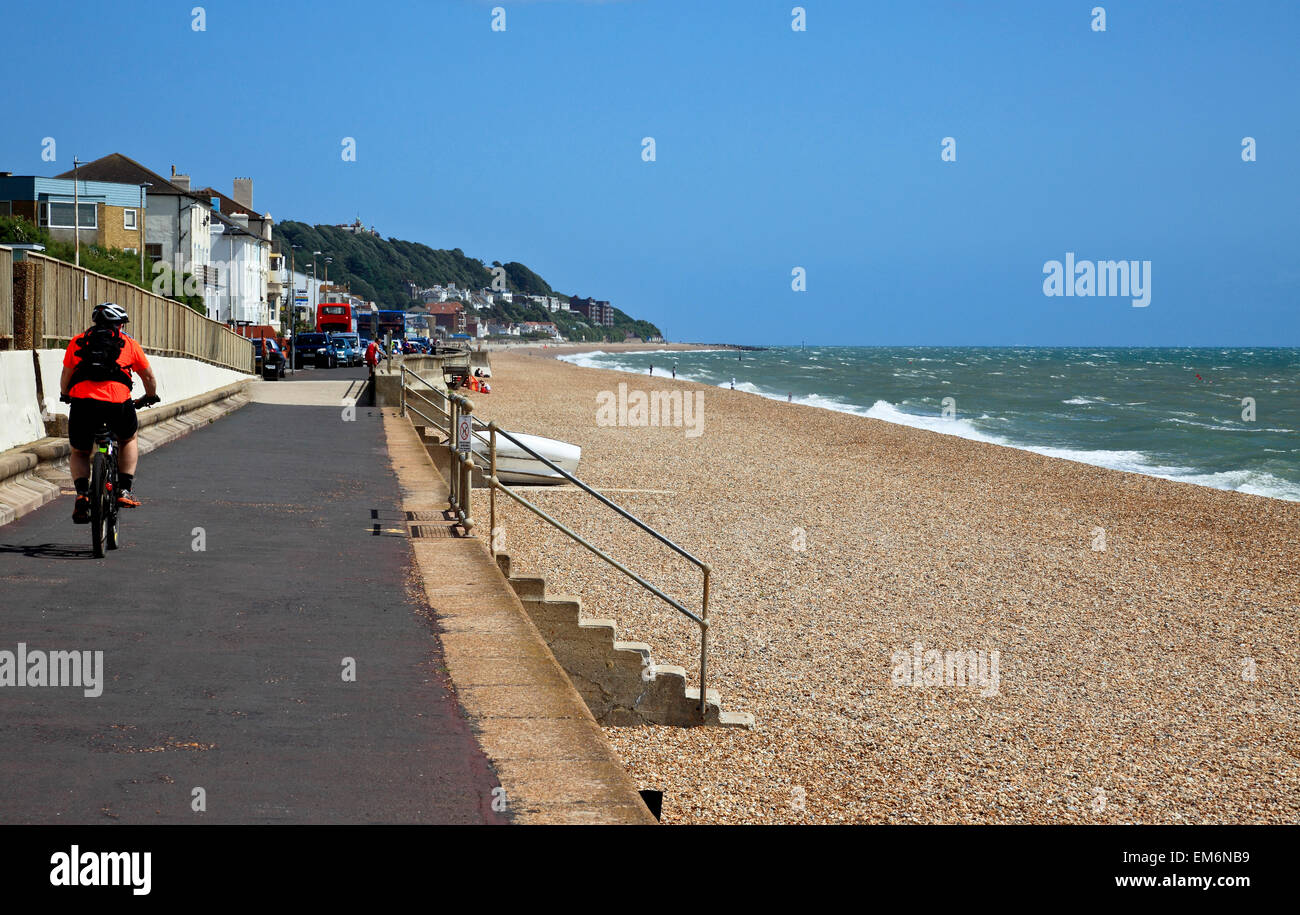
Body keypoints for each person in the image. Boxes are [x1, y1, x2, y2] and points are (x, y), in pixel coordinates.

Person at [61, 303, 159, 520]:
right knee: (128, 438)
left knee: (79, 451)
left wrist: (65, 394)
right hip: (118, 402)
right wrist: (150, 396)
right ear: (120, 324)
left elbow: (66, 374)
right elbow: (149, 377)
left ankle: (81, 495)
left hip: (83, 404)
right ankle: (124, 489)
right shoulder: (129, 343)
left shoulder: (78, 341)